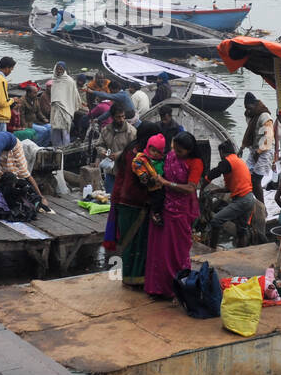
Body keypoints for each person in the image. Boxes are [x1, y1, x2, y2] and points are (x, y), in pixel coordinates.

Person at [144, 131, 202, 299]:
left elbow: (191, 188)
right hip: (164, 206)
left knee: (177, 252)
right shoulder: (170, 156)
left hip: (181, 211)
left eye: (180, 151)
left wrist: (167, 183)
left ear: (189, 150)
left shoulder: (195, 162)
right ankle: (158, 288)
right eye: (174, 149)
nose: (176, 154)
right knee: (159, 250)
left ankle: (176, 286)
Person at [108, 121, 159, 287]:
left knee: (130, 241)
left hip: (123, 201)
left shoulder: (133, 149)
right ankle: (133, 279)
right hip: (132, 203)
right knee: (134, 242)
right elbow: (132, 185)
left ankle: (132, 277)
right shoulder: (137, 157)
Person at [0, 131, 52, 211]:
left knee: (23, 173)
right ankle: (1, 196)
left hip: (14, 146)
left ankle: (41, 197)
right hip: (3, 146)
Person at [202, 140, 259, 249]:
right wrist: (215, 191)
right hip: (249, 199)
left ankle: (211, 250)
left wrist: (203, 186)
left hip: (242, 200)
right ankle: (240, 253)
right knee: (241, 231)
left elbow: (214, 173)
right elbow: (230, 188)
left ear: (222, 152)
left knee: (216, 221)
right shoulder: (238, 161)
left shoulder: (228, 161)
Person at [240, 92, 276, 202]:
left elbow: (269, 137)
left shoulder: (264, 116)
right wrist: (242, 148)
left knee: (256, 181)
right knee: (245, 176)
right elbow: (249, 133)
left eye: (249, 107)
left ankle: (262, 206)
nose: (248, 110)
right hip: (254, 149)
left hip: (266, 151)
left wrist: (259, 152)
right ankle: (249, 202)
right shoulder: (249, 115)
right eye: (246, 107)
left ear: (255, 105)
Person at [98, 103, 137, 192]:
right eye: (118, 117)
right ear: (112, 117)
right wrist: (104, 152)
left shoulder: (131, 131)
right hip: (110, 170)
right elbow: (100, 144)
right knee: (109, 197)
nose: (122, 119)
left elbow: (134, 150)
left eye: (123, 116)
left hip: (124, 171)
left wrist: (119, 154)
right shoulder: (106, 130)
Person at [48, 62, 80, 148]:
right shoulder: (54, 79)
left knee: (65, 131)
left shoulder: (69, 81)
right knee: (55, 129)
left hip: (66, 108)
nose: (59, 71)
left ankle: (66, 149)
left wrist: (72, 106)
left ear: (64, 70)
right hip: (55, 108)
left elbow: (74, 94)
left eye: (61, 69)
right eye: (57, 68)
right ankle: (56, 148)